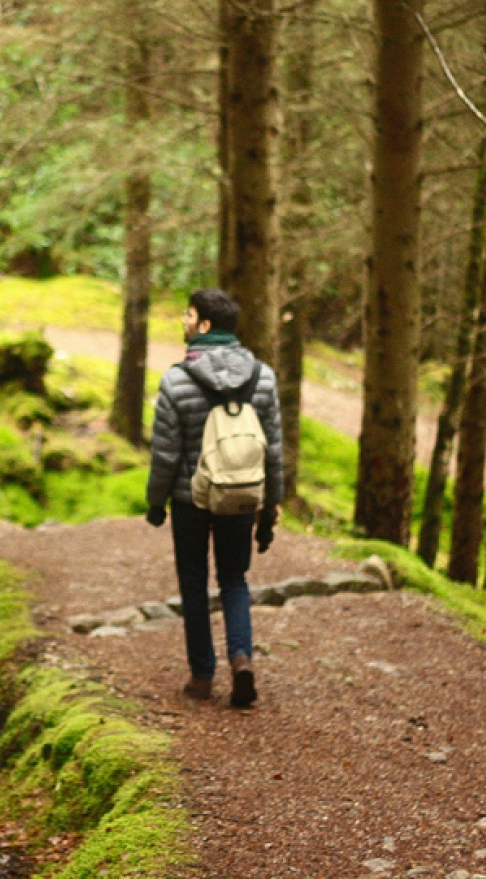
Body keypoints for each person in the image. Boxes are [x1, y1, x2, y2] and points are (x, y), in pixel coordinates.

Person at [145, 288, 282, 708]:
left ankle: (202, 676)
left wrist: (156, 502)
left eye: (188, 315)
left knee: (193, 582)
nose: (183, 321)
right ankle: (241, 658)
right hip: (241, 496)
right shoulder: (263, 377)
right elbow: (272, 447)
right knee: (234, 579)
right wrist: (270, 502)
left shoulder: (175, 380)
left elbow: (165, 453)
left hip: (192, 500)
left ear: (204, 325)